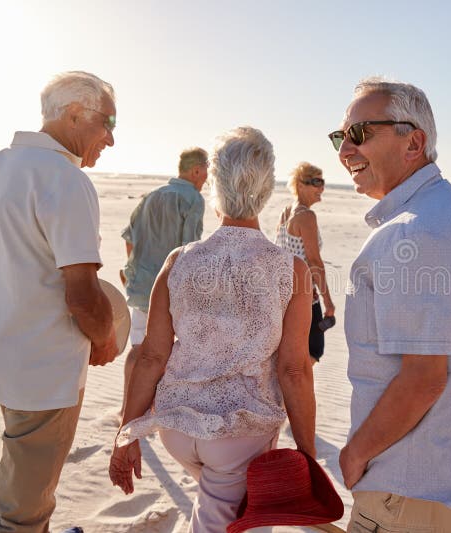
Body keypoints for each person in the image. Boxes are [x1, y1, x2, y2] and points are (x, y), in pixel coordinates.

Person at [109, 127, 317, 532]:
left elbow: (152, 355)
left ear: (215, 186)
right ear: (267, 187)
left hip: (176, 426)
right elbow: (294, 369)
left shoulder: (179, 260)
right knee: (229, 518)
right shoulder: (290, 270)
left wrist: (127, 432)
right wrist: (306, 453)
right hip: (237, 432)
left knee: (215, 508)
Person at [331, 77, 451, 532]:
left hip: (413, 489)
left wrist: (355, 456)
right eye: (340, 137)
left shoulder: (415, 230)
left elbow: (423, 379)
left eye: (359, 134)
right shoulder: (440, 212)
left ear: (414, 142)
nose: (344, 151)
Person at [0, 71, 119, 532]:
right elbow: (84, 298)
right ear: (73, 115)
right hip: (39, 369)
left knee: (21, 453)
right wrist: (105, 341)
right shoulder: (65, 180)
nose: (110, 138)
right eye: (108, 123)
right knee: (26, 504)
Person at [120, 147, 208, 415]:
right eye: (206, 171)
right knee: (167, 351)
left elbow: (129, 240)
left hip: (141, 285)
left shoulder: (151, 196)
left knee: (138, 348)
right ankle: (157, 409)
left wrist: (134, 272)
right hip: (170, 289)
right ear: (195, 170)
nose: (207, 178)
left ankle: (127, 408)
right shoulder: (193, 198)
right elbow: (189, 248)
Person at [274, 162, 335, 364]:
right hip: (305, 297)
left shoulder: (286, 212)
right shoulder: (306, 216)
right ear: (300, 185)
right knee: (312, 352)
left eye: (322, 182)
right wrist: (328, 301)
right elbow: (315, 262)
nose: (321, 188)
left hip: (284, 297)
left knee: (289, 356)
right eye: (316, 182)